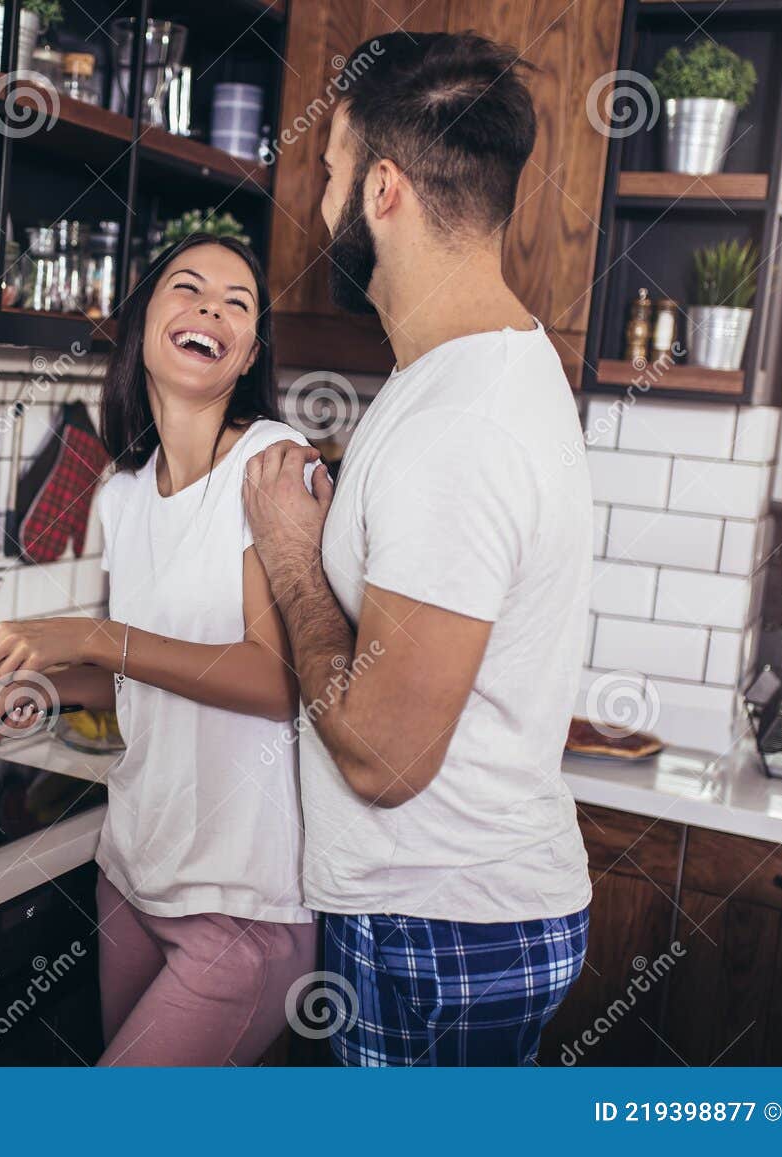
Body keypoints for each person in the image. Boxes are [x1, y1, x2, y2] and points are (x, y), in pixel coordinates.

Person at [240, 32, 594, 1066]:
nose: (321, 200)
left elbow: (385, 757)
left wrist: (293, 554)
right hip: (457, 915)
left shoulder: (458, 425)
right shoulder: (476, 374)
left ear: (383, 191)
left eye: (333, 171)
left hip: (433, 924)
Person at [0, 233, 317, 1066]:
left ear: (249, 352)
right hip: (132, 871)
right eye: (187, 288)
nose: (211, 307)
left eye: (237, 302)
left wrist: (93, 638)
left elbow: (279, 680)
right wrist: (45, 686)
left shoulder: (272, 467)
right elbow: (144, 679)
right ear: (143, 320)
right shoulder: (124, 489)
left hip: (243, 902)